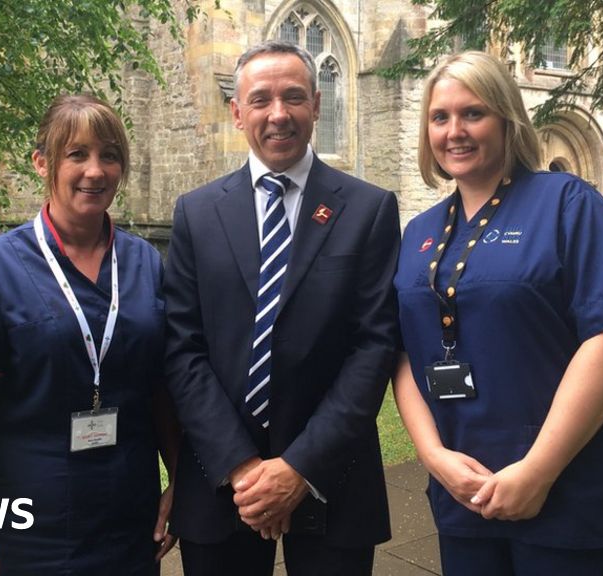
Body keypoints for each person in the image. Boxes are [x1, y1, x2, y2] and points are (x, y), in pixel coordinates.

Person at [392, 51, 603, 575]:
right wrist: (433, 457)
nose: (454, 131)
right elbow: (399, 351)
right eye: (440, 117)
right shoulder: (419, 231)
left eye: (474, 113)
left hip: (571, 495)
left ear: (508, 119)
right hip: (465, 493)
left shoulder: (568, 203)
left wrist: (537, 471)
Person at [163, 41, 400, 576]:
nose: (278, 114)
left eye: (293, 98)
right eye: (261, 99)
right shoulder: (196, 214)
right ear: (237, 111)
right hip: (223, 480)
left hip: (332, 476)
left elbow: (374, 346)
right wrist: (245, 468)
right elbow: (182, 348)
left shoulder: (369, 210)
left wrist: (297, 468)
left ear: (317, 104)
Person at [0, 94, 178, 575]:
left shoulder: (145, 262)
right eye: (77, 154)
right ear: (42, 162)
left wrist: (181, 480)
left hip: (129, 518)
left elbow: (162, 389)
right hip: (31, 523)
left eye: (110, 155)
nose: (96, 170)